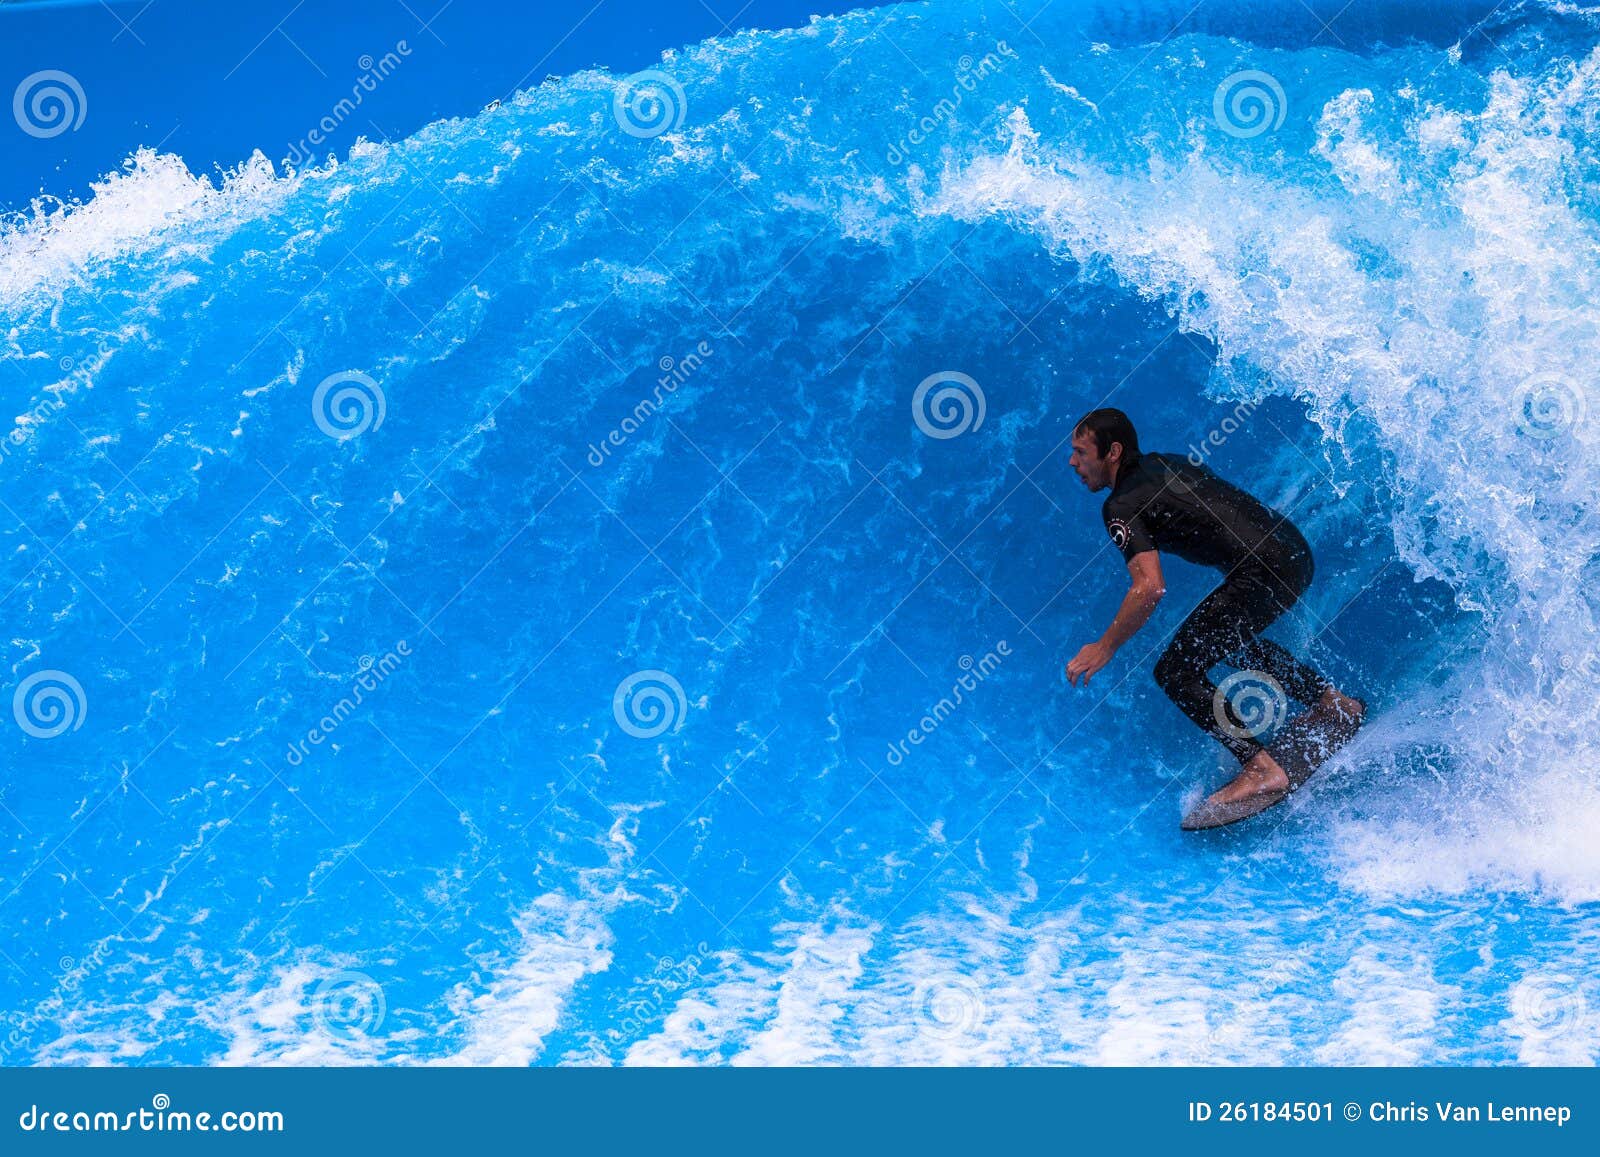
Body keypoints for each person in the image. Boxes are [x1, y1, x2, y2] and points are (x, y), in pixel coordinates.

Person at [1063, 407, 1364, 807]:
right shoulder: (1165, 461)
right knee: (1229, 640)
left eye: (1081, 452)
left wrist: (1105, 647)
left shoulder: (1119, 506)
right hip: (1293, 550)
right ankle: (1333, 703)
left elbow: (1150, 588)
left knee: (1175, 671)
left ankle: (1261, 770)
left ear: (1112, 452)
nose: (1073, 462)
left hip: (1262, 570)